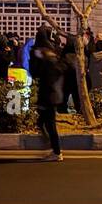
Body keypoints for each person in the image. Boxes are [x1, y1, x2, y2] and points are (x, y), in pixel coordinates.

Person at [29, 31, 65, 162]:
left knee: (49, 124)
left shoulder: (48, 61)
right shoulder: (53, 56)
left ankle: (56, 151)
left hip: (49, 96)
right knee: (43, 122)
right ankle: (53, 147)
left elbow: (39, 75)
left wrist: (35, 59)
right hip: (52, 94)